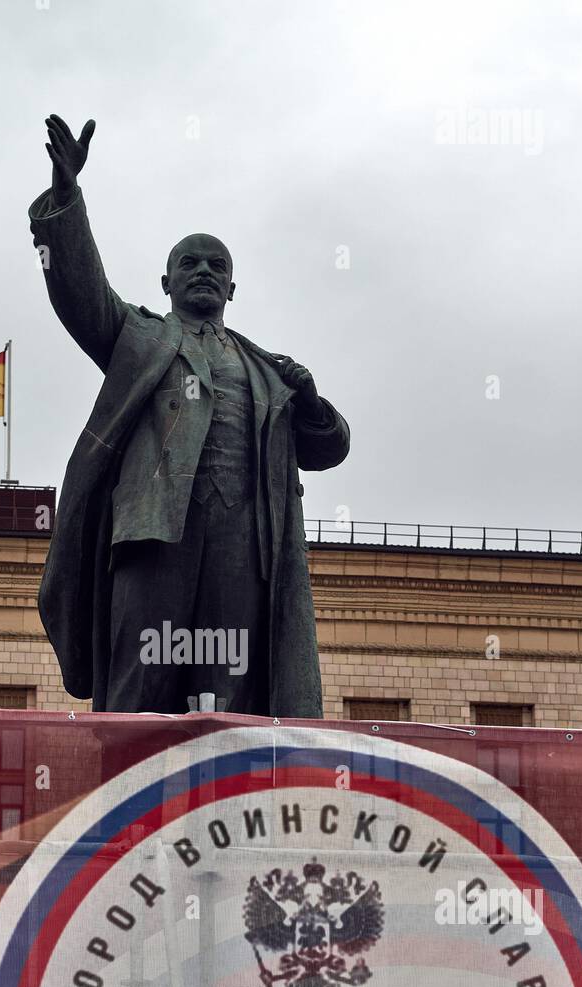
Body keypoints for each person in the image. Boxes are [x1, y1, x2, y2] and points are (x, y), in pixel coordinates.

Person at [30, 115, 350, 716]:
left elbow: (329, 449)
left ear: (231, 289)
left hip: (243, 546)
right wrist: (67, 196)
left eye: (216, 266)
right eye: (190, 263)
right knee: (139, 688)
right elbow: (81, 295)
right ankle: (127, 796)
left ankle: (224, 801)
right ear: (166, 281)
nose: (204, 271)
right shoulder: (139, 337)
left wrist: (308, 400)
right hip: (153, 534)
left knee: (230, 696)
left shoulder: (266, 369)